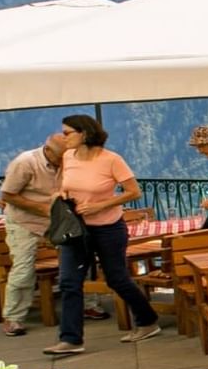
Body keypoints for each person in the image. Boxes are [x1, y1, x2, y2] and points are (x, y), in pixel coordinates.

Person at [44, 115, 161, 356]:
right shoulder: (68, 157)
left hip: (108, 227)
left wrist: (101, 206)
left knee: (116, 279)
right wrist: (59, 196)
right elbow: (66, 185)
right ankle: (71, 339)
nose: (63, 137)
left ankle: (148, 321)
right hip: (76, 229)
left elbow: (133, 192)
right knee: (69, 282)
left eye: (67, 133)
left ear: (84, 134)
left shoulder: (111, 160)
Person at [0, 132, 67, 337]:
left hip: (58, 221)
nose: (64, 160)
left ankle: (89, 304)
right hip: (24, 222)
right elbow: (8, 195)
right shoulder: (25, 163)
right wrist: (42, 209)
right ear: (48, 150)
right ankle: (13, 318)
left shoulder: (68, 161)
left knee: (78, 260)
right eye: (61, 156)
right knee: (24, 268)